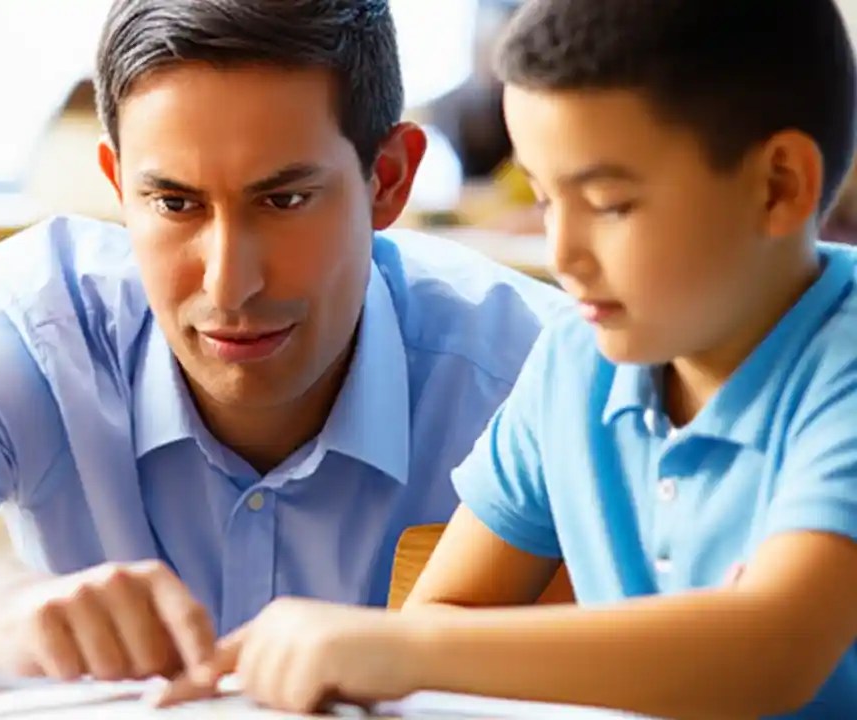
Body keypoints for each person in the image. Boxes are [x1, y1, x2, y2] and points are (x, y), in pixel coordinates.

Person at [0, 0, 565, 682]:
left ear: (386, 180)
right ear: (116, 187)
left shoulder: (535, 369)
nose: (227, 283)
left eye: (284, 202)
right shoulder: (41, 315)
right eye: (174, 204)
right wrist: (5, 610)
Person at [156, 1, 857, 717]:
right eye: (548, 200)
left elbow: (773, 650)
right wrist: (404, 648)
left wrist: (392, 648)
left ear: (778, 187)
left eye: (610, 203)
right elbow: (447, 609)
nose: (562, 257)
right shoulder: (576, 362)